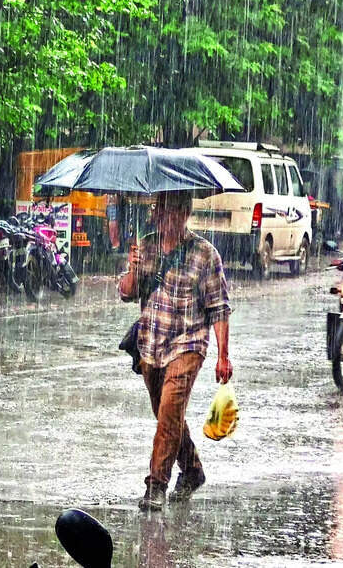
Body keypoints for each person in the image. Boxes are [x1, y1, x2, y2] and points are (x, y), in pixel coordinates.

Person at [117, 191, 232, 511]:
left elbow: (219, 308)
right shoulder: (145, 246)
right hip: (151, 344)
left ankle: (156, 485)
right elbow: (126, 293)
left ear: (184, 214)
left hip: (188, 344)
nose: (166, 217)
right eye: (162, 211)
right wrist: (134, 269)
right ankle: (193, 470)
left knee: (169, 410)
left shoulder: (205, 254)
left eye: (173, 211)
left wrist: (223, 355)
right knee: (167, 415)